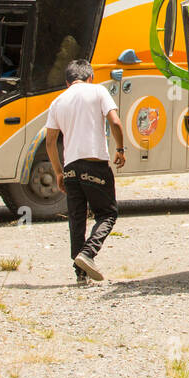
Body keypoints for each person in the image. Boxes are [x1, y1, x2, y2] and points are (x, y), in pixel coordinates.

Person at [44, 60, 125, 285]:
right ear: (90, 77)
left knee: (77, 219)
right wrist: (120, 148)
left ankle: (80, 274)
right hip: (95, 163)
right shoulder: (98, 90)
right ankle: (88, 254)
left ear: (67, 82)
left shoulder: (57, 101)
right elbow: (115, 122)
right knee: (107, 214)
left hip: (70, 168)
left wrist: (59, 173)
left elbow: (50, 142)